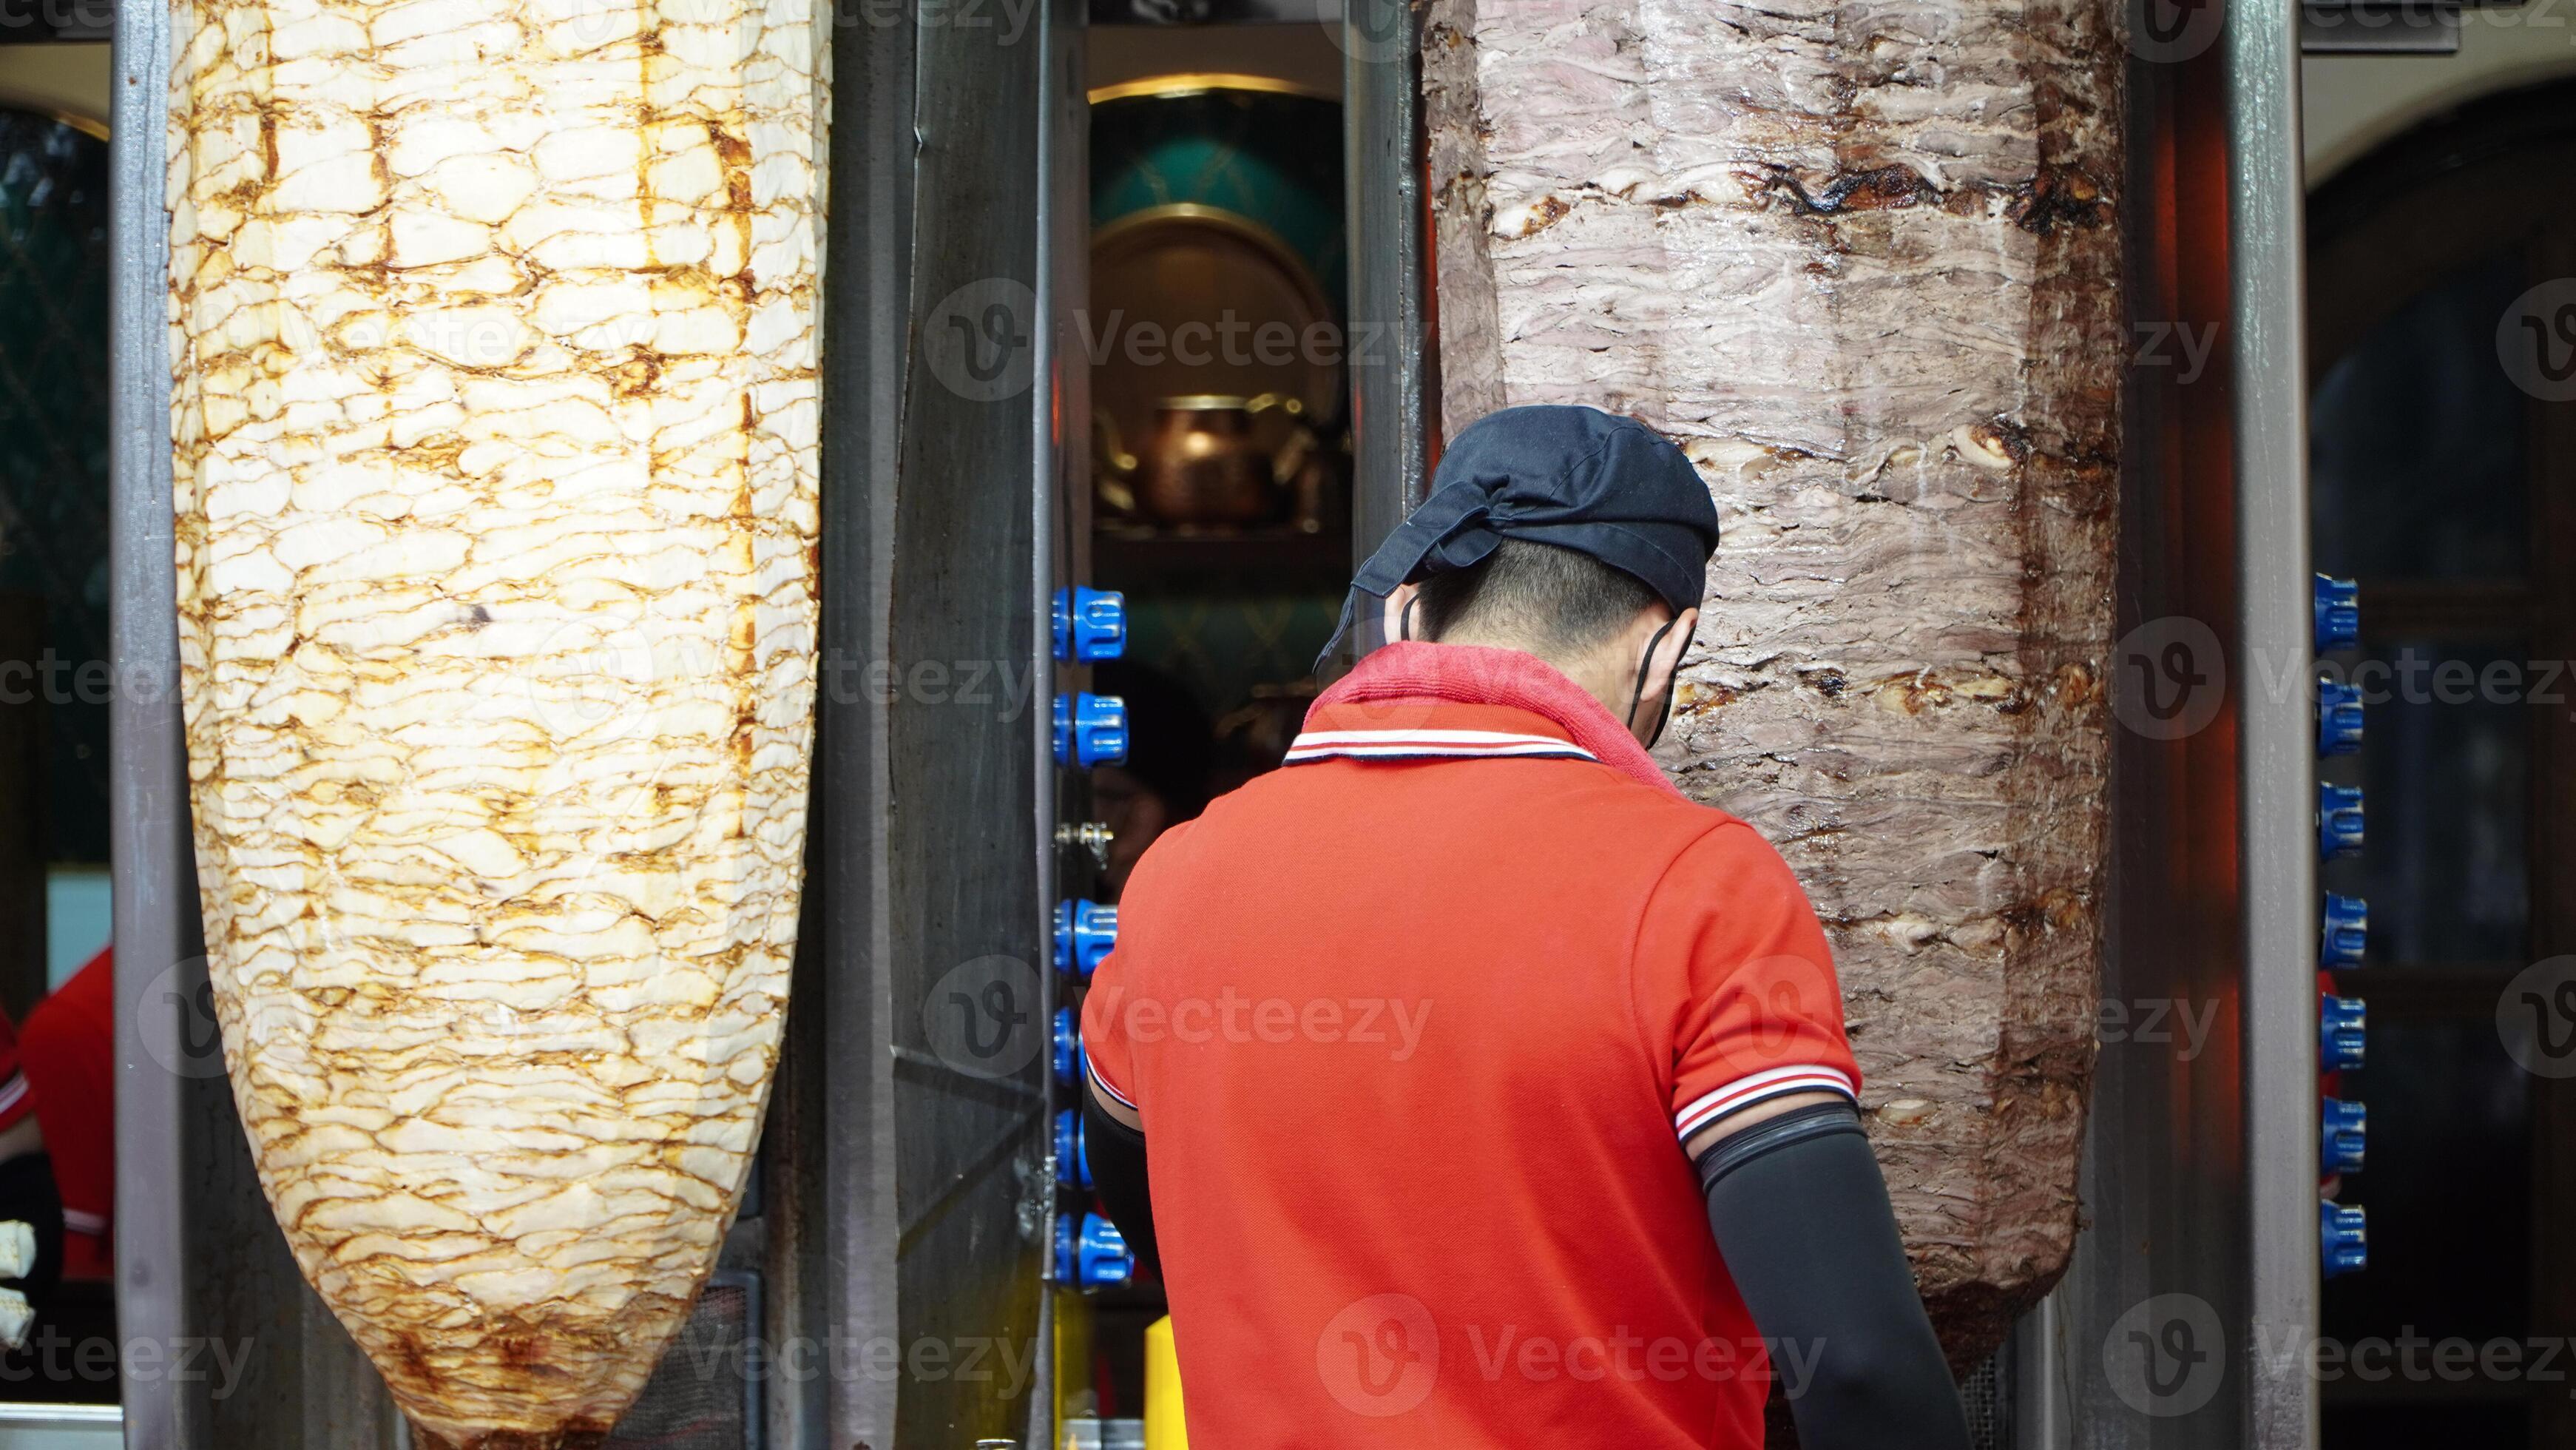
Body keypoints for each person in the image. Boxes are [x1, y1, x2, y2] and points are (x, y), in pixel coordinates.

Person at [1078, 405, 1969, 1449]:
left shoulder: (1182, 874)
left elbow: (1143, 1200)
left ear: (1408, 612)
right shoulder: (1698, 889)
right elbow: (1859, 1368)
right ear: (1667, 641)